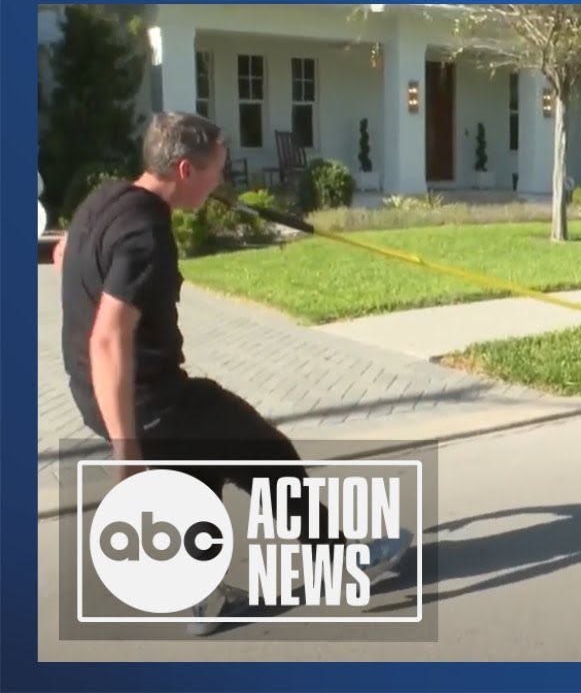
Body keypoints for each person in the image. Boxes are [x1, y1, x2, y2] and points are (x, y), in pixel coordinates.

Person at [59, 111, 410, 636]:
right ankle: (339, 559)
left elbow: (66, 249)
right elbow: (109, 339)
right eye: (216, 170)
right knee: (264, 453)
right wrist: (125, 454)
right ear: (184, 170)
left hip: (95, 394)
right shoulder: (146, 234)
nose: (221, 182)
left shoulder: (105, 198)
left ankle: (199, 598)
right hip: (145, 401)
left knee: (202, 467)